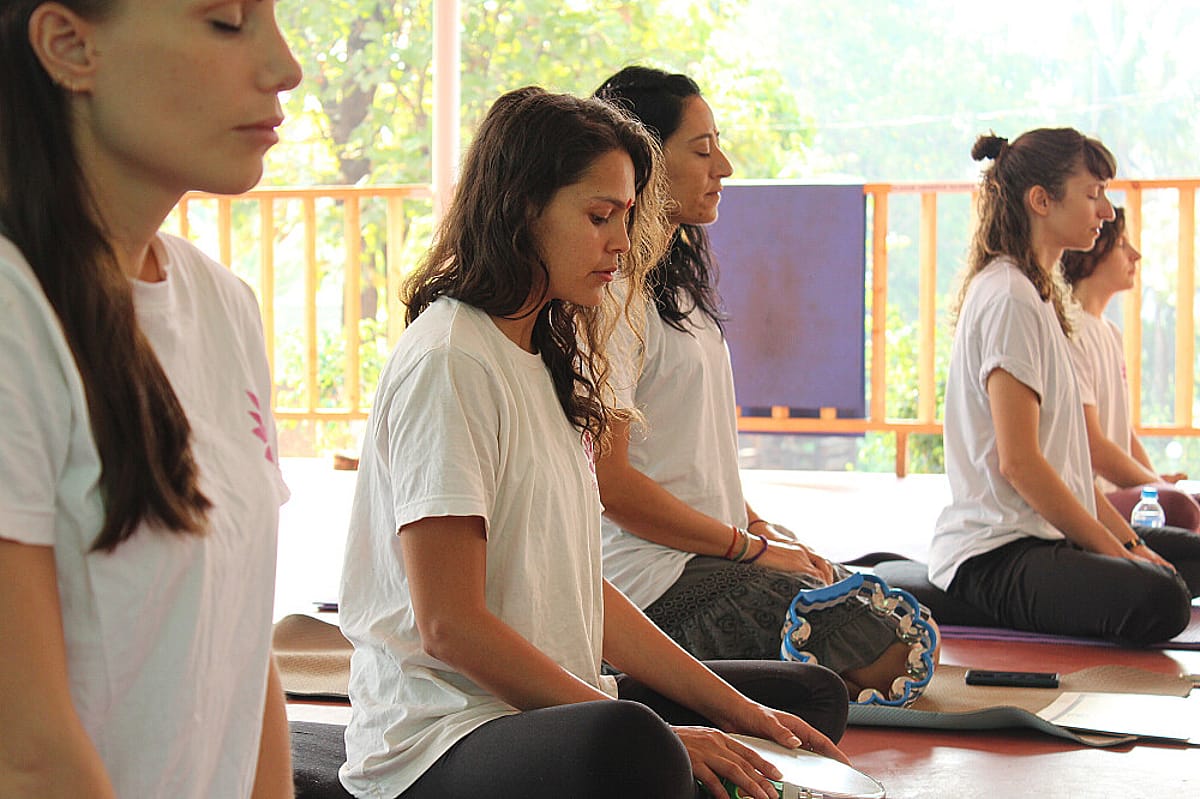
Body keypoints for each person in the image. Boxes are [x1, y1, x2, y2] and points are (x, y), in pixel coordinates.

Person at [337, 86, 850, 799]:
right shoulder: (452, 360)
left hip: (554, 707)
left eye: (627, 216)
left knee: (804, 702)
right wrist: (659, 728)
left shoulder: (546, 348)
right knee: (636, 744)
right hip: (444, 735)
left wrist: (740, 711)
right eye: (599, 215)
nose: (620, 242)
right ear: (521, 209)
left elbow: (584, 591)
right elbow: (449, 625)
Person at [0, 2, 301, 797]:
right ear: (70, 45)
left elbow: (242, 654)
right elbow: (26, 755)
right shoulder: (13, 310)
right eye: (228, 22)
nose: (286, 67)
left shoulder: (224, 304)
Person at [590, 65, 925, 701]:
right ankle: (649, 685)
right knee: (885, 656)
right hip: (649, 579)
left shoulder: (675, 287)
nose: (726, 167)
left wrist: (763, 531)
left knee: (889, 622)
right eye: (703, 149)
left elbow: (694, 462)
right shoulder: (610, 292)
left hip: (710, 554)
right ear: (645, 159)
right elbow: (611, 483)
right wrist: (749, 550)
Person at [929, 128, 1200, 645]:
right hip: (996, 553)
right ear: (1041, 201)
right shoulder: (1009, 295)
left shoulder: (1039, 294)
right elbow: (1020, 463)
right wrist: (1116, 553)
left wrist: (1129, 546)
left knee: (1179, 563)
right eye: (1093, 194)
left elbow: (1071, 471)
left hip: (1044, 538)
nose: (1105, 211)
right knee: (1162, 599)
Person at [1062, 208, 1200, 530]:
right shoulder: (1070, 331)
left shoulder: (1110, 332)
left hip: (1117, 493)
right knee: (1180, 507)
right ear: (1093, 250)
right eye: (1122, 244)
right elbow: (1094, 447)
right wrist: (1160, 489)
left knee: (1186, 500)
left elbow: (1122, 433)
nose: (1135, 255)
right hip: (1091, 497)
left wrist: (1154, 481)